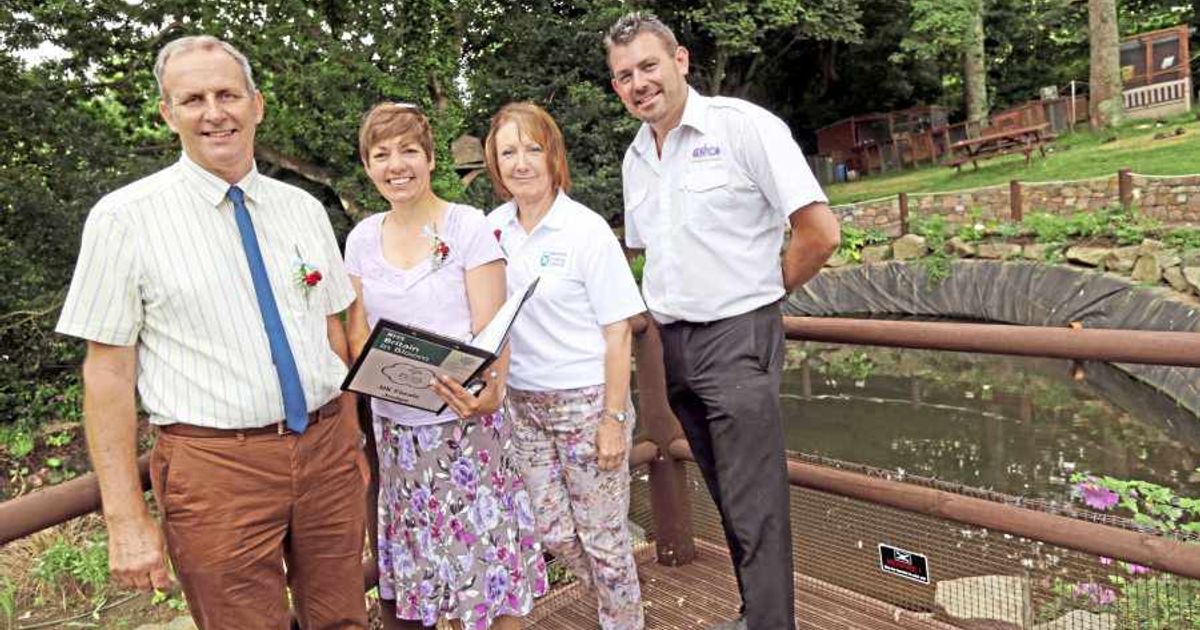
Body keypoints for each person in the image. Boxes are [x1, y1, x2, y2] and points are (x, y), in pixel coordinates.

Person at [55, 35, 368, 628]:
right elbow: (107, 374)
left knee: (343, 619)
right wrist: (124, 518)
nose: (214, 112)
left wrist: (350, 446)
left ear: (258, 103)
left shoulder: (301, 209)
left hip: (327, 452)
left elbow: (331, 333)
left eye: (228, 94)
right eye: (193, 99)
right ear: (167, 114)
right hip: (217, 469)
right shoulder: (124, 219)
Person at [605, 12, 842, 630]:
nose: (639, 83)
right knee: (726, 494)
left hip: (738, 335)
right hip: (673, 344)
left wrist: (762, 293)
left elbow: (819, 234)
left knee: (754, 501)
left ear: (680, 60)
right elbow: (655, 254)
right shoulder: (636, 156)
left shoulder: (744, 128)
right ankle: (753, 615)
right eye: (625, 75)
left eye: (649, 66)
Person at [344, 102, 547, 630]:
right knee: (428, 574)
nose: (397, 165)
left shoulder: (468, 226)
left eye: (409, 151)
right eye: (382, 154)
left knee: (488, 570)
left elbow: (492, 327)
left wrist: (491, 390)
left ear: (430, 159)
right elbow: (357, 331)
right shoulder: (361, 238)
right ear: (367, 166)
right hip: (398, 436)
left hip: (466, 427)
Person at [484, 102, 647, 629]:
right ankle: (617, 598)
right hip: (522, 407)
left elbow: (618, 329)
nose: (521, 162)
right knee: (552, 530)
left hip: (585, 402)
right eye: (509, 151)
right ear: (495, 162)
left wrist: (613, 419)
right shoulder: (491, 231)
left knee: (603, 535)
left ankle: (622, 620)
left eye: (533, 149)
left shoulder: (584, 229)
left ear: (553, 155)